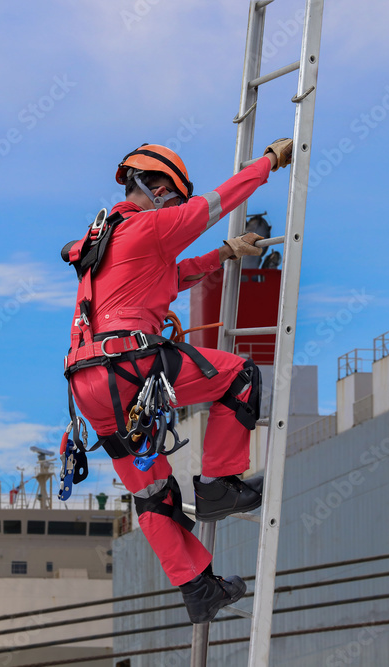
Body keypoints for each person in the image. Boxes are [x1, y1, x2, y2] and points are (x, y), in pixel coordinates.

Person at [63, 138, 293, 623]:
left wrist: (226, 253)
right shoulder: (151, 225)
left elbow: (171, 277)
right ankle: (216, 484)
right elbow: (220, 201)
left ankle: (199, 589)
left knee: (153, 495)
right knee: (240, 376)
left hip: (88, 388)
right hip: (129, 369)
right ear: (162, 189)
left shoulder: (104, 242)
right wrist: (268, 162)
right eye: (175, 197)